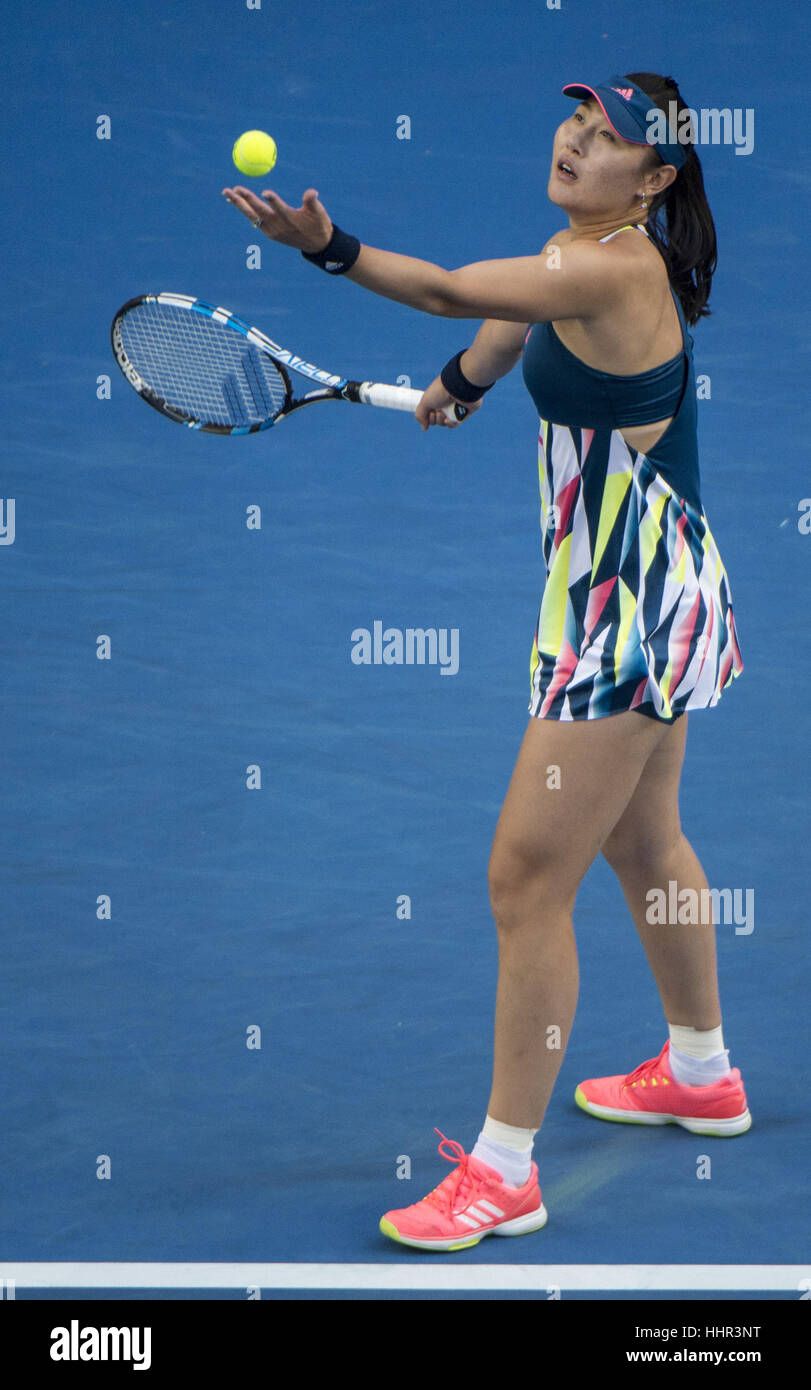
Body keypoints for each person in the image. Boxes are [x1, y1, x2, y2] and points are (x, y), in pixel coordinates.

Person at [223, 72, 748, 1253]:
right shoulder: (585, 247)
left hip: (624, 614)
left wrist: (328, 248)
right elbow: (507, 315)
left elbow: (460, 287)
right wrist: (464, 382)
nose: (576, 136)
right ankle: (703, 1069)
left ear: (654, 182)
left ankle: (505, 1171)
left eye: (609, 137)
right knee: (641, 837)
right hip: (649, 586)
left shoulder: (614, 268)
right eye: (577, 116)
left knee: (524, 881)